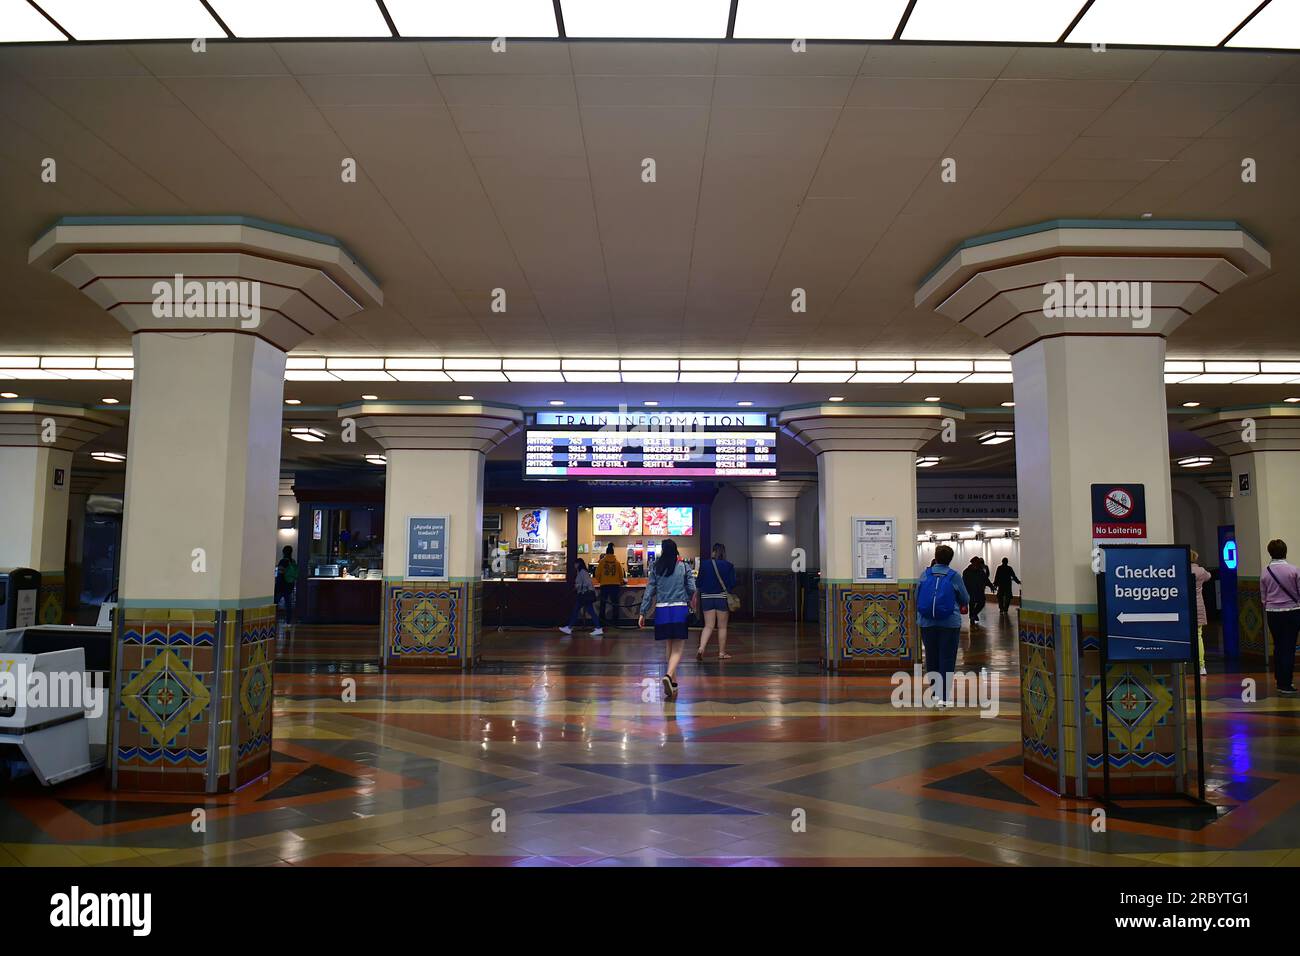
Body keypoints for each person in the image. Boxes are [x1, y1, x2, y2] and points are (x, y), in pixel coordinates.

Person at [638, 539, 696, 700]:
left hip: (662, 611)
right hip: (679, 610)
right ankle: (669, 676)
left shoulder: (656, 568)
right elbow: (692, 588)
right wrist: (690, 596)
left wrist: (642, 613)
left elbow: (649, 591)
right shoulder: (684, 566)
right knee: (678, 649)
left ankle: (674, 684)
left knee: (669, 645)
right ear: (676, 550)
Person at [917, 544, 970, 707]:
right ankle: (943, 696)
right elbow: (965, 598)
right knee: (947, 658)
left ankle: (934, 692)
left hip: (927, 623)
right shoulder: (954, 576)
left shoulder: (925, 574)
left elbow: (916, 596)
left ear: (935, 556)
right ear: (950, 559)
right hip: (949, 623)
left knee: (931, 657)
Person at [1259, 539, 1300, 696]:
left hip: (1273, 613)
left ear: (1270, 553)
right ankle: (1286, 683)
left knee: (1278, 646)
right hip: (1292, 612)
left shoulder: (1265, 571)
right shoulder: (1294, 570)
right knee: (1288, 648)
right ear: (1285, 551)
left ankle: (1279, 680)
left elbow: (1263, 597)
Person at [696, 543, 737, 661]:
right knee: (722, 627)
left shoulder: (704, 564)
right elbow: (733, 583)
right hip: (721, 597)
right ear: (724, 553)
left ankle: (701, 649)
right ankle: (721, 653)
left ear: (713, 551)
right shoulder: (728, 565)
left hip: (706, 597)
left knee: (708, 626)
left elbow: (698, 582)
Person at [559, 558, 601, 636]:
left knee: (578, 610)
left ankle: (569, 627)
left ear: (578, 564)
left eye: (575, 564)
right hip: (584, 594)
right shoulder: (582, 572)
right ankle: (598, 628)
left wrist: (579, 587)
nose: (574, 565)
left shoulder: (582, 572)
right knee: (585, 611)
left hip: (584, 595)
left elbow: (587, 583)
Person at [1189, 550, 1211, 677]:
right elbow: (1209, 576)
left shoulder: (1182, 570)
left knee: (1185, 635)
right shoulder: (1202, 571)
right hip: (1199, 606)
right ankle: (1201, 666)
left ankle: (1184, 662)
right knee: (1198, 635)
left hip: (1185, 606)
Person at [594, 543, 625, 630]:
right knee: (615, 605)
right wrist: (621, 582)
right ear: (613, 553)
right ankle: (615, 623)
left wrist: (601, 581)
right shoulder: (617, 563)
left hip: (604, 586)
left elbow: (597, 574)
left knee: (603, 604)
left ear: (606, 553)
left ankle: (602, 622)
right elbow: (621, 576)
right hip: (615, 586)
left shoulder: (602, 562)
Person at [962, 556, 993, 626]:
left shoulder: (980, 571)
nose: (978, 565)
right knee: (971, 604)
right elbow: (964, 582)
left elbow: (986, 579)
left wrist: (991, 586)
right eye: (977, 563)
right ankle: (972, 617)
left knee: (982, 602)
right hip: (970, 591)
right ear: (973, 563)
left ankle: (974, 614)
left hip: (979, 590)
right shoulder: (966, 572)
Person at [275, 545, 298, 626]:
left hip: (281, 586)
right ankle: (288, 622)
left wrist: (277, 586)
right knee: (288, 605)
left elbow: (280, 575)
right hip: (290, 585)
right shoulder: (293, 561)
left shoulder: (282, 562)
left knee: (275, 604)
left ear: (283, 552)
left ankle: (273, 621)